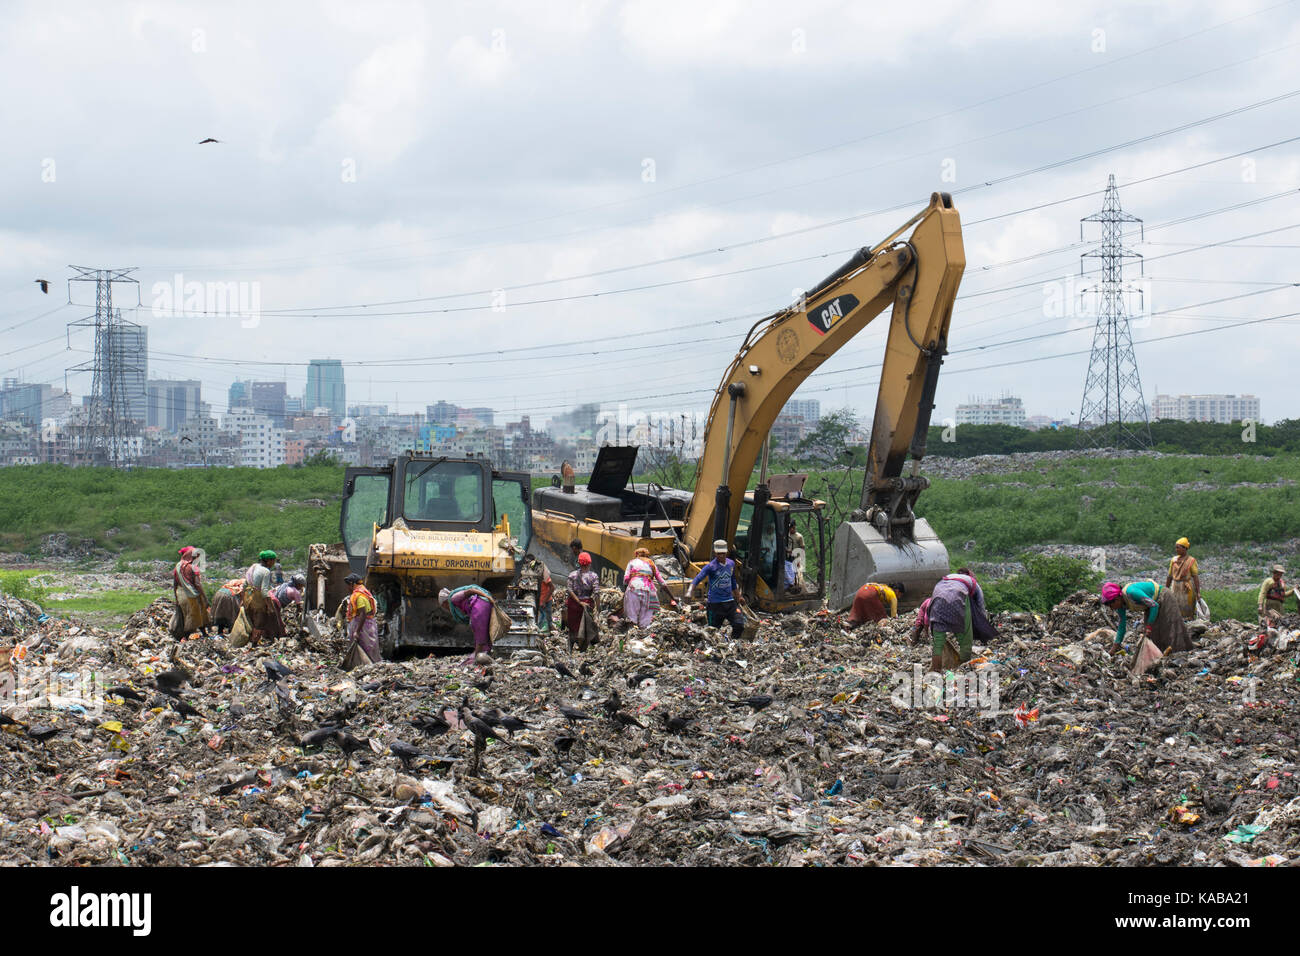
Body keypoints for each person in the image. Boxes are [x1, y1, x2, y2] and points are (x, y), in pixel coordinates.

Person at [1101, 580, 1192, 658]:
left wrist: (1149, 626)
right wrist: (1114, 648)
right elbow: (1121, 626)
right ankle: (1163, 657)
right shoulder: (1121, 606)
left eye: (1111, 605)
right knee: (1153, 635)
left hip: (1164, 598)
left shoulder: (1131, 593)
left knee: (1171, 627)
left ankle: (1181, 654)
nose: (1112, 608)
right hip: (1150, 607)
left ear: (1117, 599)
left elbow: (1154, 605)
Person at [926, 569, 993, 672]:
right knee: (965, 639)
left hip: (937, 602)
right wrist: (983, 627)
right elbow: (980, 605)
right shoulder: (973, 582)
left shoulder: (948, 578)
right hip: (957, 600)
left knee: (938, 643)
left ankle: (936, 671)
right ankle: (963, 669)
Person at [687, 540, 745, 641]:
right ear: (715, 553)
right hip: (715, 604)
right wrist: (689, 591)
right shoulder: (711, 567)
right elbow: (698, 578)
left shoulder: (731, 564)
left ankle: (733, 643)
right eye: (719, 553)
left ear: (726, 552)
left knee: (739, 624)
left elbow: (732, 581)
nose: (721, 556)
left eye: (723, 553)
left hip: (729, 602)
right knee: (712, 631)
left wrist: (738, 596)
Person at [439, 584, 496, 660]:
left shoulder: (453, 598)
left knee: (479, 634)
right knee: (482, 632)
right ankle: (483, 655)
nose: (446, 608)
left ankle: (476, 658)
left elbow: (470, 591)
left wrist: (487, 597)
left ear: (445, 602)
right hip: (480, 606)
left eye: (444, 606)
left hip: (479, 607)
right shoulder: (454, 602)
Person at [241, 550, 286, 646]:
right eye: (273, 561)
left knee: (251, 620)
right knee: (259, 622)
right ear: (269, 561)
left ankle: (248, 641)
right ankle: (253, 644)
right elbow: (264, 591)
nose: (274, 563)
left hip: (248, 596)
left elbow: (245, 584)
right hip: (257, 599)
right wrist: (270, 606)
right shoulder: (266, 571)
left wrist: (242, 599)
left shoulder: (254, 566)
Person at [623, 547, 676, 628]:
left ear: (636, 554)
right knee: (645, 620)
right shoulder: (652, 564)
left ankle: (632, 633)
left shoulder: (632, 562)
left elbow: (626, 579)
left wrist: (625, 593)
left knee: (632, 618)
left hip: (633, 589)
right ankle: (643, 635)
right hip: (649, 591)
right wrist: (672, 597)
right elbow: (662, 583)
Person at [172, 547, 210, 638]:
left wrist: (176, 598)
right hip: (192, 594)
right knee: (197, 614)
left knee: (185, 614)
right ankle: (188, 635)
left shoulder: (177, 567)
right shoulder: (193, 567)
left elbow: (175, 584)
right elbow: (197, 584)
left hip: (181, 593)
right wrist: (204, 597)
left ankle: (185, 636)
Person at [566, 552, 601, 648]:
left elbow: (569, 590)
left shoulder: (572, 575)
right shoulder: (593, 576)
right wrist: (598, 608)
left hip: (574, 605)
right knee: (587, 626)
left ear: (579, 563)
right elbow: (596, 593)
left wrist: (578, 601)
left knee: (573, 627)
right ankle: (584, 645)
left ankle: (572, 644)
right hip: (587, 605)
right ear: (589, 563)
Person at [346, 572, 381, 663]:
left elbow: (363, 613)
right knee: (369, 647)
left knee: (366, 647)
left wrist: (357, 631)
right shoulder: (363, 592)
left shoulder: (359, 596)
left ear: (352, 584)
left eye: (348, 585)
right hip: (367, 625)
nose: (348, 588)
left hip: (363, 627)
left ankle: (365, 664)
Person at [1164, 537, 1200, 621]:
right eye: (1176, 547)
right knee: (1175, 607)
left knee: (1188, 608)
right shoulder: (1174, 560)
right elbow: (1169, 576)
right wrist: (1165, 589)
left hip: (1186, 587)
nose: (1176, 549)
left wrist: (1198, 592)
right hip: (1175, 586)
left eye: (1178, 547)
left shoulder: (1191, 560)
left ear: (1185, 548)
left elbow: (1195, 576)